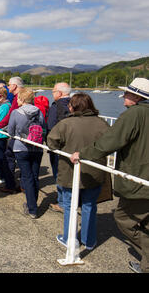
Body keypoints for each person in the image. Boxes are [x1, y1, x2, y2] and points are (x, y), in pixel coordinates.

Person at [70, 78, 149, 273]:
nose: (123, 99)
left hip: (140, 179)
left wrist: (84, 153)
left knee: (124, 218)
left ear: (138, 96)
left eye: (128, 95)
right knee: (145, 222)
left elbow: (110, 142)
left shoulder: (135, 114)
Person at [47, 93, 109, 250]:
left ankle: (69, 239)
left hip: (69, 171)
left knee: (69, 206)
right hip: (95, 173)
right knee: (89, 205)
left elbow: (52, 142)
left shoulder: (66, 123)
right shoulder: (102, 124)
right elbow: (109, 144)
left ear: (72, 107)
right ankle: (89, 241)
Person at [7, 88, 45, 218]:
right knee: (34, 176)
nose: (16, 100)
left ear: (22, 99)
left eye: (18, 98)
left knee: (27, 177)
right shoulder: (39, 111)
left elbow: (10, 131)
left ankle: (32, 209)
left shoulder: (16, 113)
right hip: (37, 148)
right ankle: (32, 204)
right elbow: (43, 129)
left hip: (21, 148)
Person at [0, 76, 25, 193]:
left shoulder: (18, 99)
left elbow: (10, 117)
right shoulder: (17, 98)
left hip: (18, 134)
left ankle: (11, 185)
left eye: (9, 85)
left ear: (15, 86)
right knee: (18, 160)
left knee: (9, 158)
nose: (8, 87)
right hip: (20, 133)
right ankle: (21, 185)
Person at [47, 82, 71, 214]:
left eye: (53, 91)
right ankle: (70, 200)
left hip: (58, 146)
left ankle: (62, 202)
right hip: (71, 144)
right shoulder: (75, 103)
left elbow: (51, 125)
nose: (52, 94)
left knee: (59, 173)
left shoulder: (57, 106)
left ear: (60, 93)